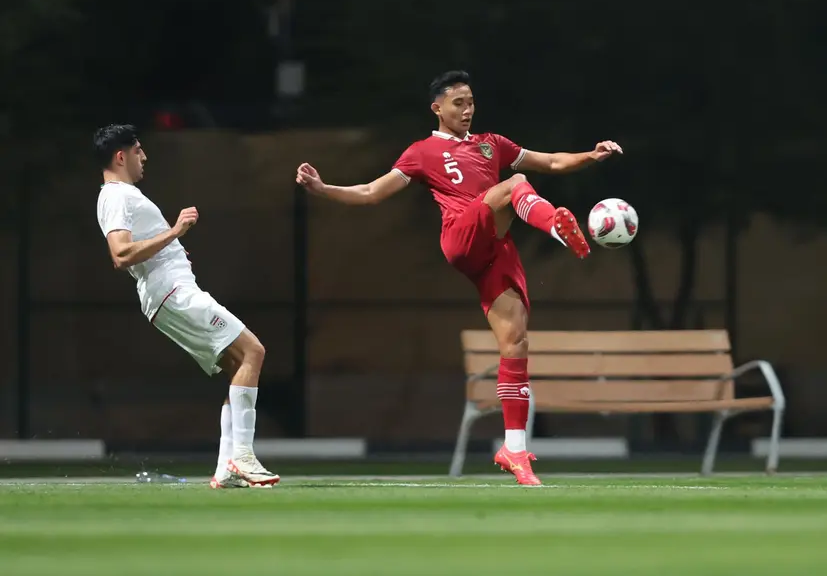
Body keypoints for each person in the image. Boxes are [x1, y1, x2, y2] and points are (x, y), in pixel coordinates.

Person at [295, 71, 621, 486]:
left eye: (471, 102)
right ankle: (555, 229)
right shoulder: (422, 152)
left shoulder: (492, 144)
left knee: (516, 343)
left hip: (496, 249)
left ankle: (515, 450)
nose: (467, 110)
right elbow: (372, 192)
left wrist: (591, 156)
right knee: (516, 183)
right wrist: (324, 188)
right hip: (461, 237)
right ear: (437, 108)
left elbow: (553, 161)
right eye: (458, 103)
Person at [93, 124, 279, 489]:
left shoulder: (121, 195)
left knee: (238, 366)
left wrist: (172, 247)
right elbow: (121, 254)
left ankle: (227, 468)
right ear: (120, 156)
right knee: (253, 351)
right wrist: (175, 232)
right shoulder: (116, 195)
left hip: (170, 292)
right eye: (138, 150)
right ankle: (243, 457)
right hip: (172, 292)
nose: (144, 156)